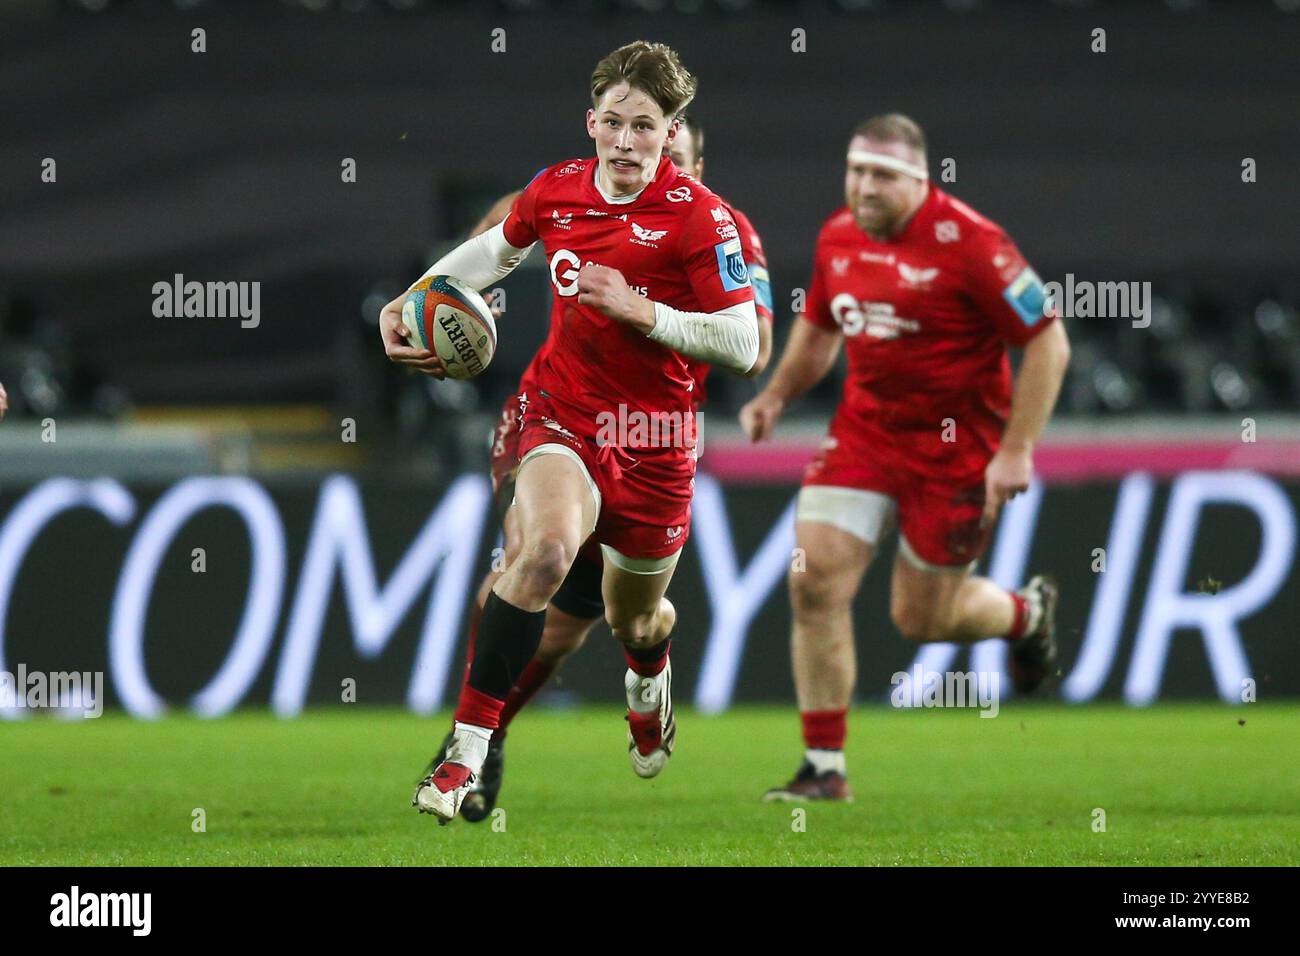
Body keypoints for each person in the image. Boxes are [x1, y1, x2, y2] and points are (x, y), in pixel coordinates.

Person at [381, 40, 761, 822]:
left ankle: (648, 673)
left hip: (658, 443)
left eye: (645, 127)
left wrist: (642, 311)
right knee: (543, 554)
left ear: (671, 135)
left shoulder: (705, 222)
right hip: (566, 417)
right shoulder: (555, 191)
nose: (626, 142)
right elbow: (490, 254)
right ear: (591, 122)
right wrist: (415, 297)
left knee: (635, 617)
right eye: (614, 123)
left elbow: (747, 346)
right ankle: (465, 756)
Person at [740, 113, 1070, 802]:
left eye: (882, 175)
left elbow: (1048, 342)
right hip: (865, 434)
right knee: (813, 582)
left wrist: (1016, 451)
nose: (864, 186)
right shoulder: (838, 235)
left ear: (919, 180)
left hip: (958, 452)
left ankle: (1024, 615)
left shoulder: (974, 243)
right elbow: (819, 331)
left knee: (922, 620)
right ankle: (824, 768)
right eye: (856, 170)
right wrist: (775, 396)